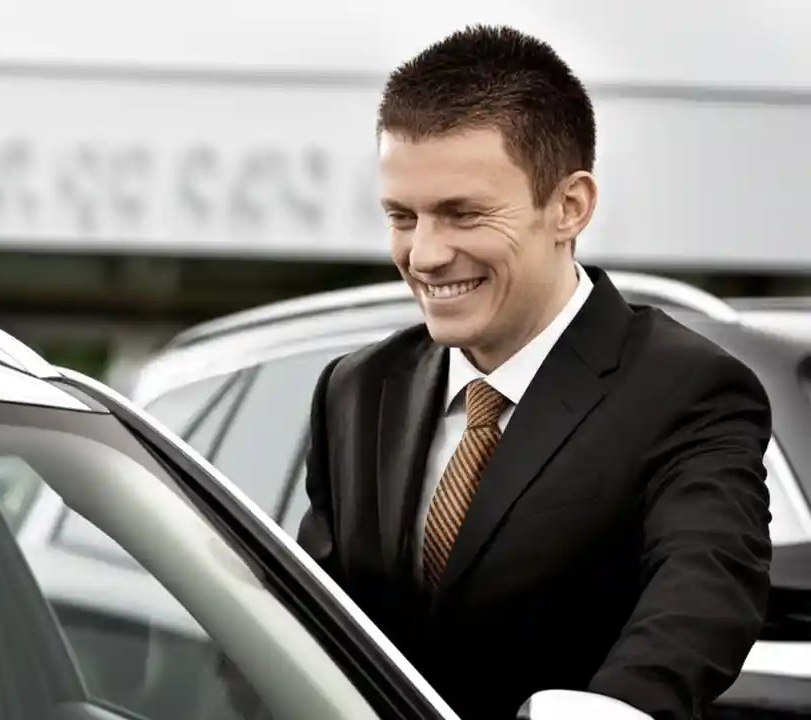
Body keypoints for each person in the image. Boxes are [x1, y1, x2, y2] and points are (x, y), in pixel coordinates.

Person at [296, 25, 773, 720]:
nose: (425, 255)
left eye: (463, 214)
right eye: (402, 216)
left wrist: (619, 708)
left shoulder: (689, 392)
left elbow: (704, 590)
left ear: (569, 206)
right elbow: (309, 636)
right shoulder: (356, 391)